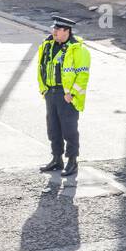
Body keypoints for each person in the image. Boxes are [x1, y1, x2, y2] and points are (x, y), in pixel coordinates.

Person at [36, 15, 91, 177]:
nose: (54, 32)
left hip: (66, 95)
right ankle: (56, 159)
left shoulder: (78, 49)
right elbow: (42, 67)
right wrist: (44, 89)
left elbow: (82, 76)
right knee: (53, 128)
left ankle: (72, 161)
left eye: (58, 29)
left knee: (69, 130)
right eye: (54, 28)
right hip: (50, 93)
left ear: (67, 31)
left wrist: (72, 94)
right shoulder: (48, 45)